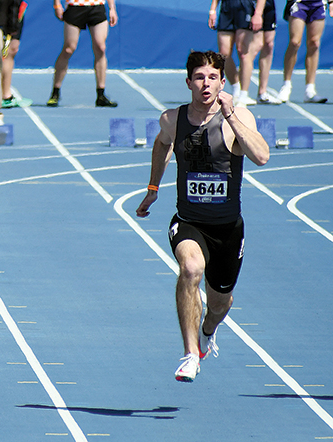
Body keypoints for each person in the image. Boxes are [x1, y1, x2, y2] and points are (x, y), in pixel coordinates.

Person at [135, 51, 269, 382]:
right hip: (189, 222)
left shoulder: (240, 117)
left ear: (223, 82)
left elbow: (262, 157)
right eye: (199, 77)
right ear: (188, 82)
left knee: (220, 302)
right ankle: (190, 353)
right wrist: (153, 187)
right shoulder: (172, 119)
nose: (205, 84)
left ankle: (208, 330)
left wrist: (232, 116)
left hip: (227, 228)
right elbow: (161, 144)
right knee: (191, 269)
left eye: (212, 77)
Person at [47, 0, 118, 108]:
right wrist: (57, 5)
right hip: (75, 6)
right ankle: (55, 92)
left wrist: (112, 8)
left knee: (100, 47)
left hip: (96, 6)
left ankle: (101, 94)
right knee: (68, 49)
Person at [277, 0, 329, 103]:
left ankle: (310, 89)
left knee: (314, 43)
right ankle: (286, 85)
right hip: (299, 2)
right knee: (295, 42)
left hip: (318, 3)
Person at [1, 1, 32, 108]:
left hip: (17, 9)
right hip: (2, 11)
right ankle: (1, 95)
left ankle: (6, 95)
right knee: (3, 52)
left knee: (12, 49)